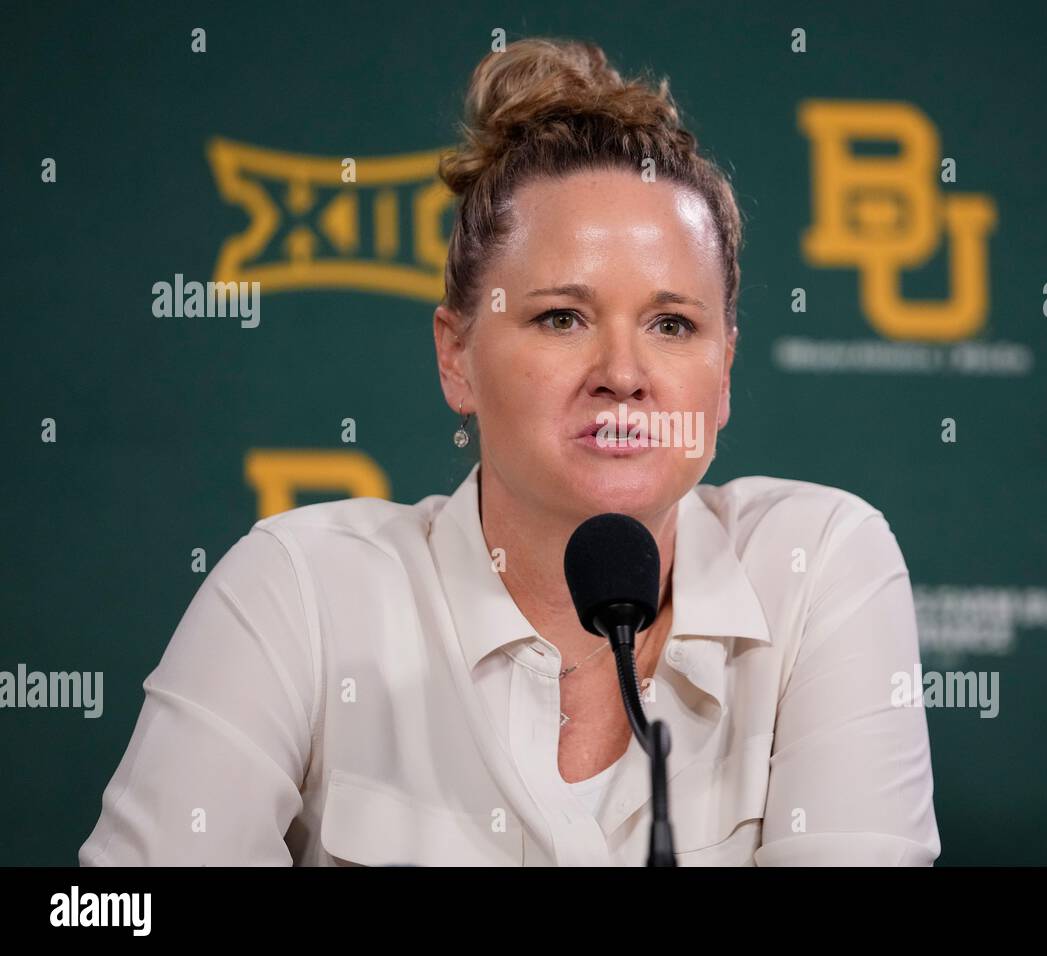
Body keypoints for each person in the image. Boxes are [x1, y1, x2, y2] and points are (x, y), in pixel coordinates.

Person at [78, 36, 940, 866]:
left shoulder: (818, 563)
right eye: (561, 317)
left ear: (722, 377)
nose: (623, 375)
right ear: (457, 356)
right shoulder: (299, 592)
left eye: (672, 324)